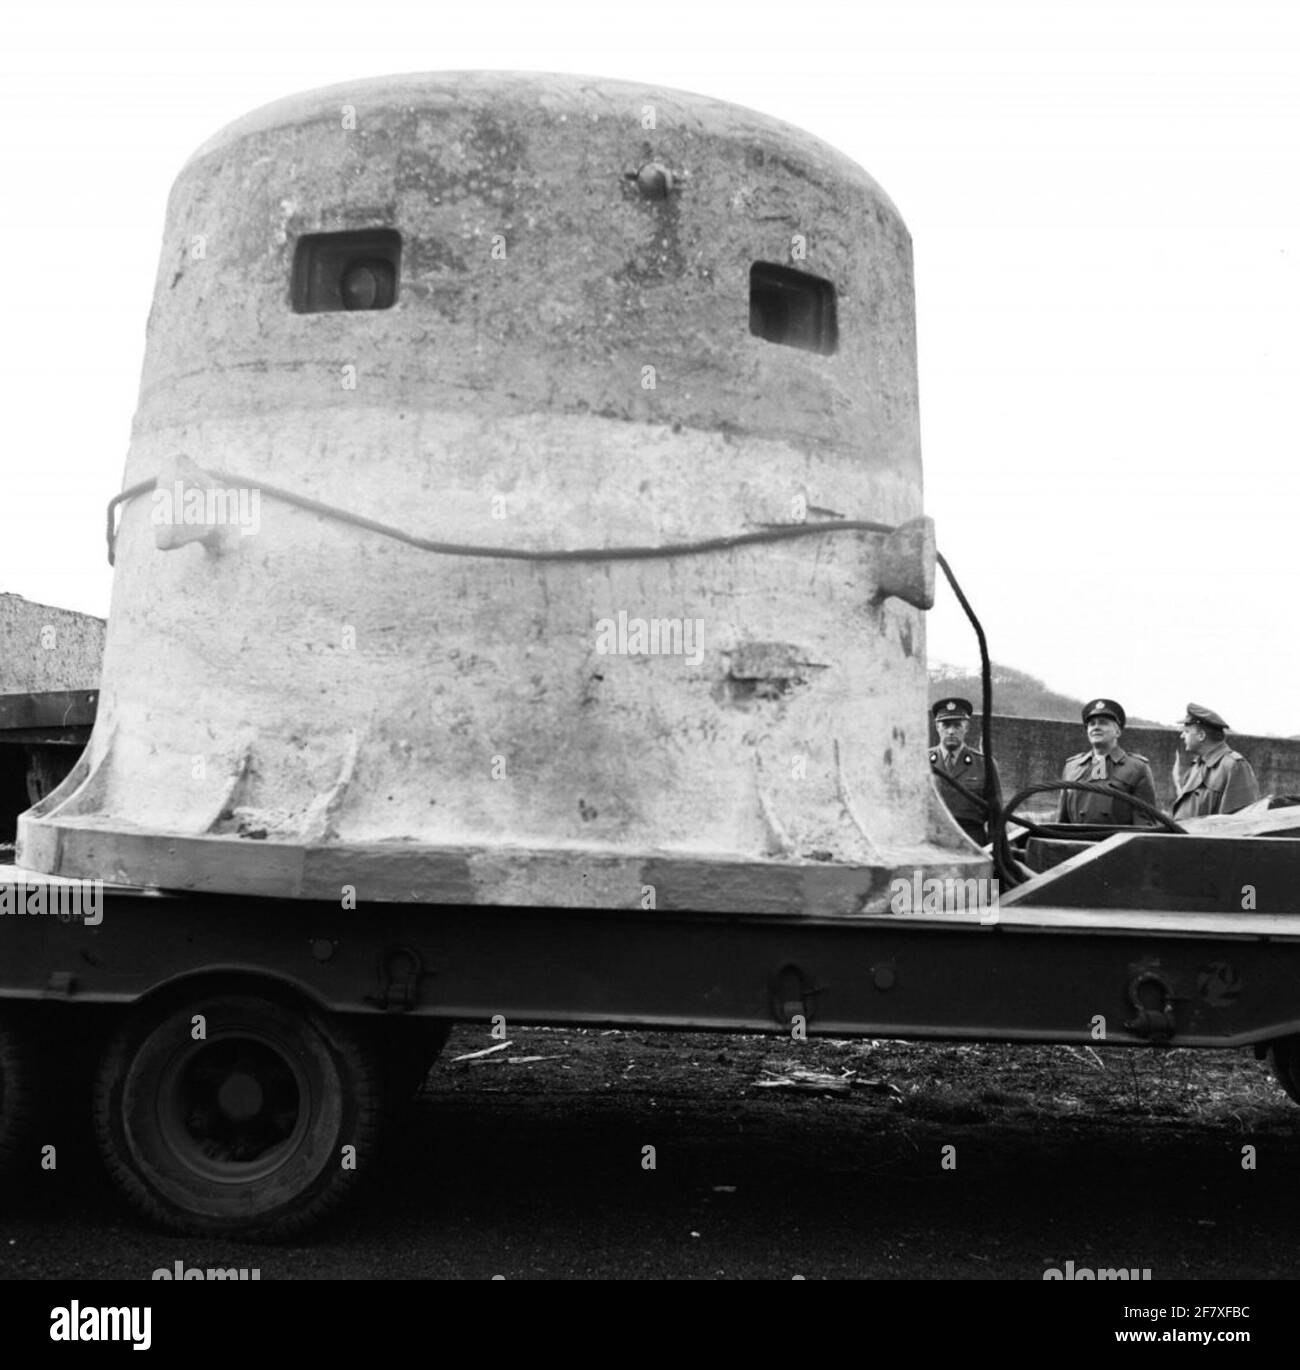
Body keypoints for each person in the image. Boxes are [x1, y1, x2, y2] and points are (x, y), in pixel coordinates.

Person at [1057, 698, 1158, 826]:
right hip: (1077, 842)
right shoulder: (1072, 767)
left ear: (1118, 731)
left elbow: (1145, 824)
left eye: (1103, 723)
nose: (1096, 727)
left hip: (1117, 843)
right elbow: (1061, 822)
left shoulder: (1137, 768)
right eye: (1092, 724)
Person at [929, 698, 1002, 844]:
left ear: (966, 728)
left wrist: (995, 853)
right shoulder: (919, 761)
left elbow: (996, 816)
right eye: (946, 725)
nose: (951, 731)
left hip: (971, 842)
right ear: (937, 727)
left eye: (957, 725)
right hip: (931, 841)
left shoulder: (984, 764)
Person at [1171, 703, 1260, 819]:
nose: (1182, 736)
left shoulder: (1234, 766)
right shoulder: (1197, 765)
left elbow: (1240, 822)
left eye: (1187, 731)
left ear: (1201, 735)